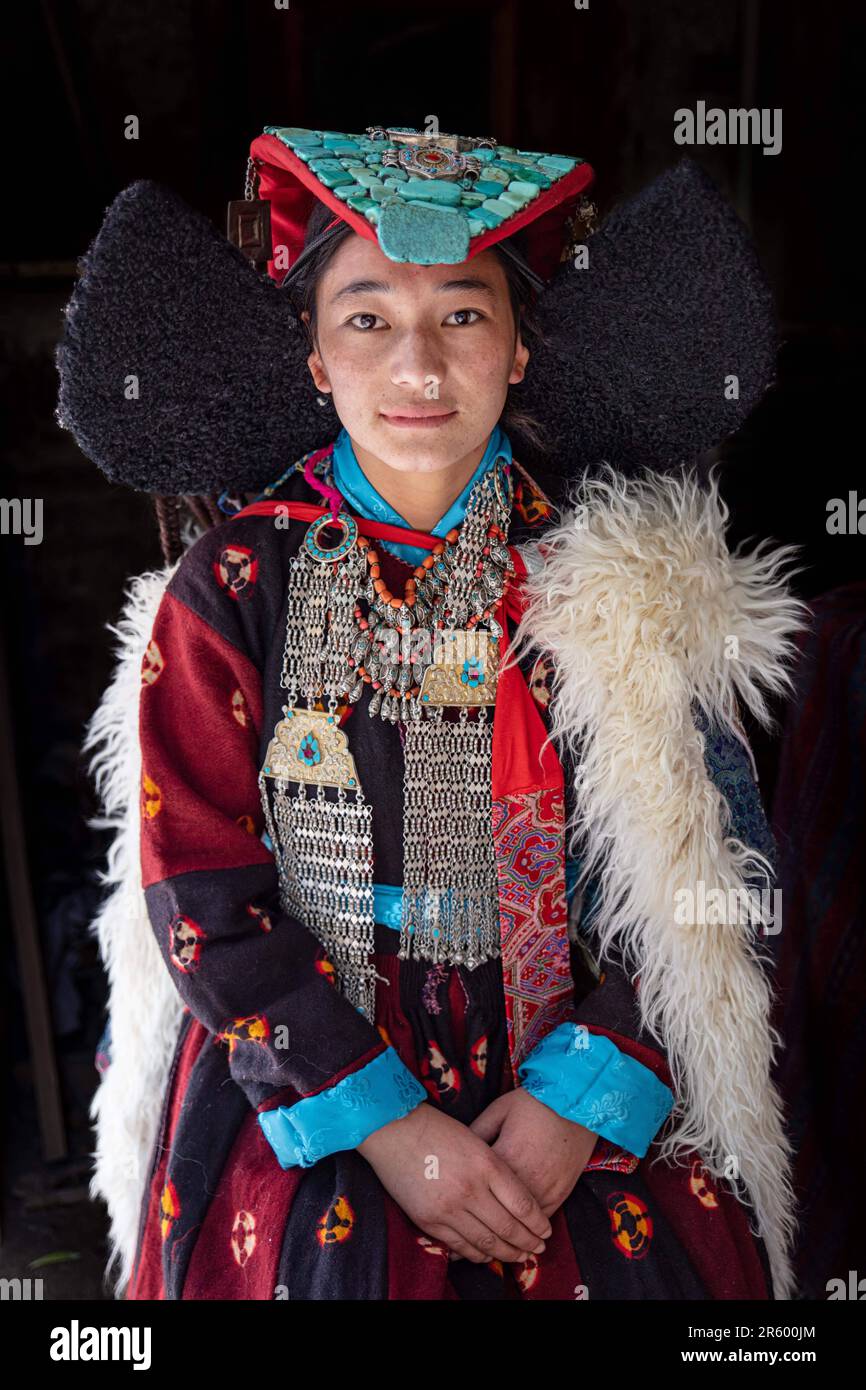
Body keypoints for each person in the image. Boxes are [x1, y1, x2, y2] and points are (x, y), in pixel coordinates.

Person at [57, 122, 808, 1301]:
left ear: (515, 351)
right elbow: (194, 887)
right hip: (305, 1092)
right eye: (366, 319)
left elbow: (715, 879)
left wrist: (578, 1103)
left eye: (461, 316)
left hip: (567, 1104)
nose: (416, 368)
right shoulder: (235, 589)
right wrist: (389, 1128)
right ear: (312, 355)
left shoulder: (617, 586)